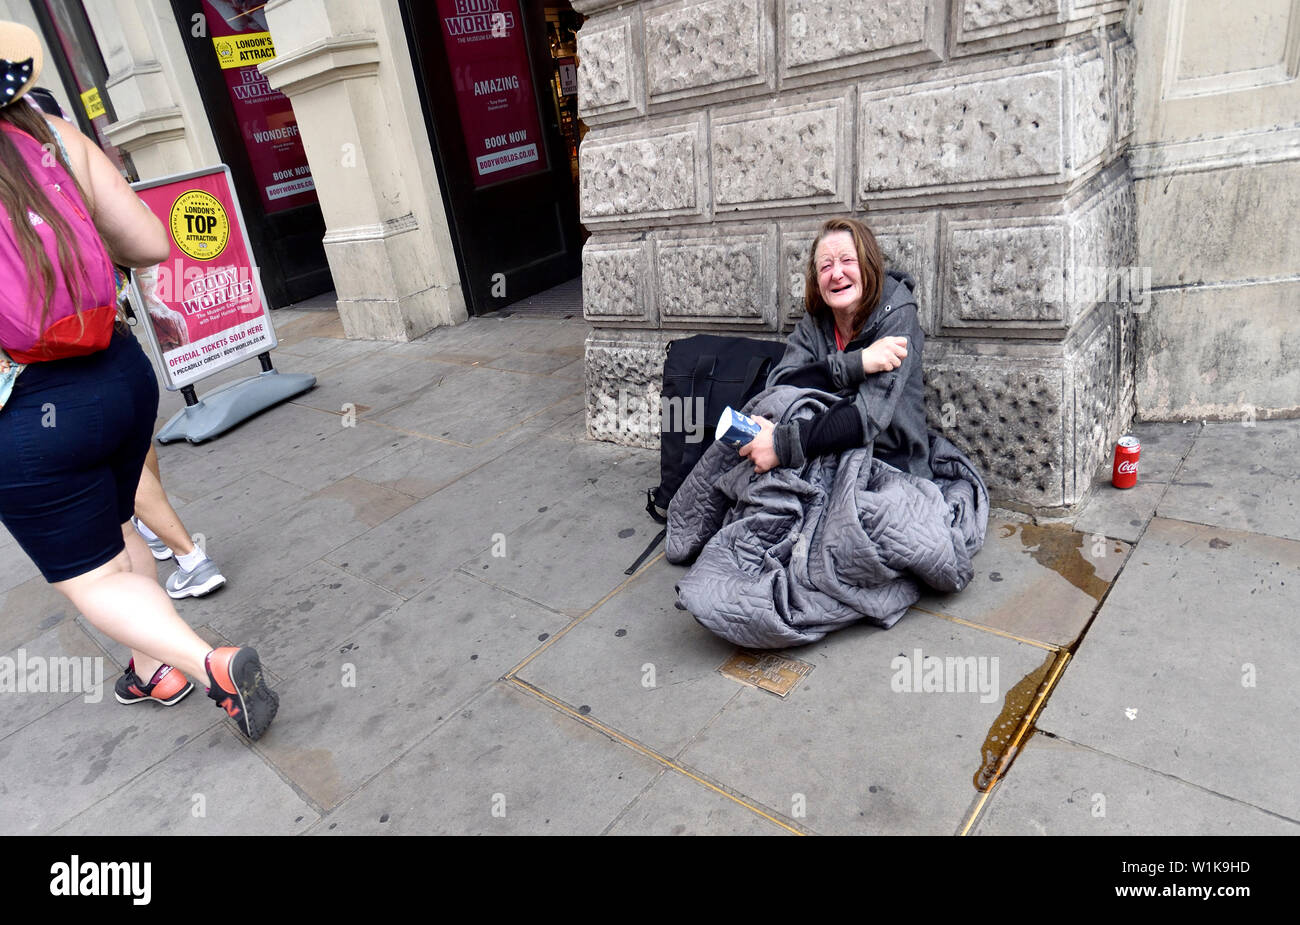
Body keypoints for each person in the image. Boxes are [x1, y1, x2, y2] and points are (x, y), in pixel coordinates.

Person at [0, 22, 276, 738]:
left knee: (89, 578)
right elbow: (151, 243)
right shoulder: (52, 133)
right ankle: (154, 667)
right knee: (116, 525)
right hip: (118, 376)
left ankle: (207, 662)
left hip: (25, 412)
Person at [740, 216, 933, 480]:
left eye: (847, 260)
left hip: (890, 464)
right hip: (827, 454)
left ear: (868, 266)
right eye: (826, 266)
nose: (837, 273)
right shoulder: (816, 321)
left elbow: (868, 417)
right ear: (817, 280)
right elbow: (780, 386)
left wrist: (781, 445)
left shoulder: (897, 316)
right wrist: (858, 363)